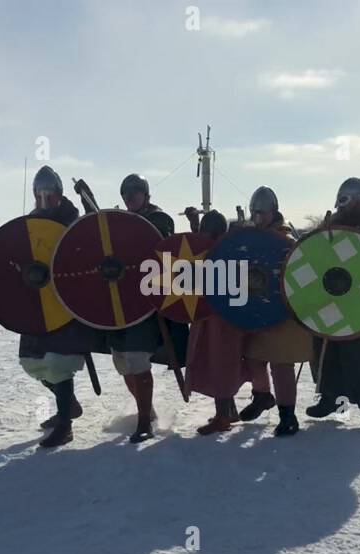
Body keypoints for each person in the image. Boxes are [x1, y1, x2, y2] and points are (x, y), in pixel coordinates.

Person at [73, 174, 177, 443]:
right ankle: (149, 411)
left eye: (134, 192)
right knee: (122, 362)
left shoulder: (159, 219)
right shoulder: (122, 221)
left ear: (145, 193)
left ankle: (144, 421)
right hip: (116, 303)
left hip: (143, 304)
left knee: (137, 359)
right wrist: (90, 204)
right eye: (125, 194)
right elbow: (102, 235)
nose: (129, 198)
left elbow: (152, 247)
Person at [19, 166, 104, 448]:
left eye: (49, 195)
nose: (44, 200)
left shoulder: (71, 221)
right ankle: (68, 406)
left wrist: (87, 200)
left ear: (59, 195)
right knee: (32, 363)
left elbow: (98, 237)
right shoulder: (30, 223)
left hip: (67, 302)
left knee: (58, 363)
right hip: (37, 304)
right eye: (39, 195)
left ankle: (65, 424)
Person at [306, 177, 360, 435]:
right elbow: (314, 252)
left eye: (345, 201)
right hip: (332, 298)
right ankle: (331, 398)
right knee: (327, 350)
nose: (341, 207)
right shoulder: (332, 225)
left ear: (359, 200)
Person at [238, 186, 312, 437]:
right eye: (254, 212)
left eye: (262, 212)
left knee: (281, 365)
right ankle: (262, 397)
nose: (257, 217)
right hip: (259, 311)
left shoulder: (286, 240)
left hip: (283, 313)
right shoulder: (248, 238)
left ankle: (288, 416)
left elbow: (301, 275)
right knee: (254, 358)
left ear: (273, 211)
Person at [181, 208, 248, 435]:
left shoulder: (228, 251)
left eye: (206, 231)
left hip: (223, 320)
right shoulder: (219, 248)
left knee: (222, 365)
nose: (204, 236)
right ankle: (229, 410)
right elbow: (197, 252)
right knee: (218, 364)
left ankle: (222, 417)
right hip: (208, 318)